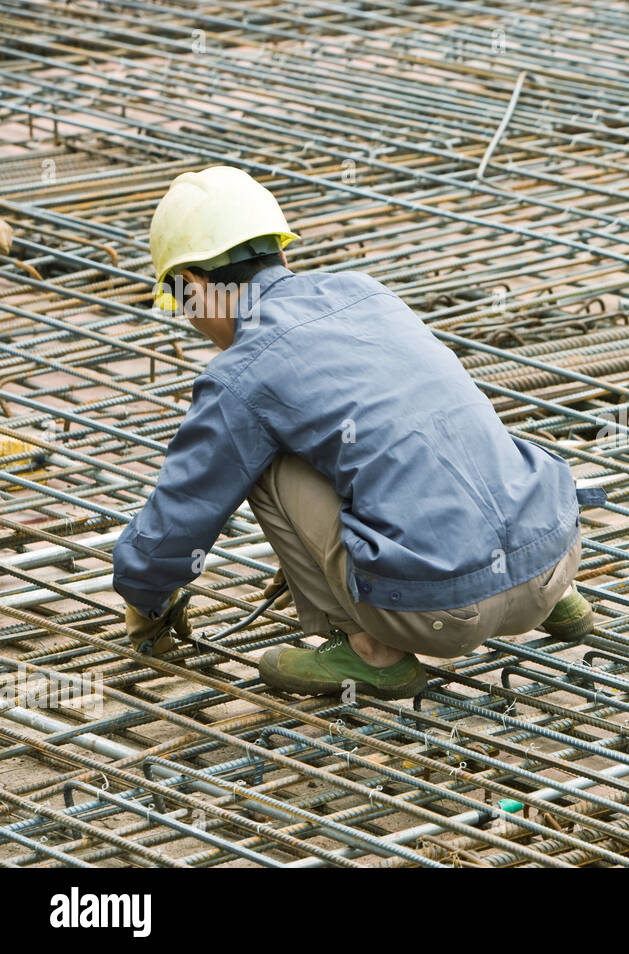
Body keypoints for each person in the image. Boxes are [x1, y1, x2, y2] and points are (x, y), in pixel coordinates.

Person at [114, 166, 593, 699]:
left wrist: (146, 601)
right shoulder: (366, 294)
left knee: (262, 460)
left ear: (197, 288)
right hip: (555, 549)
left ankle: (373, 652)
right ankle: (559, 599)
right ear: (282, 255)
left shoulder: (243, 373)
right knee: (417, 420)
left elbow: (183, 514)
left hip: (447, 610)